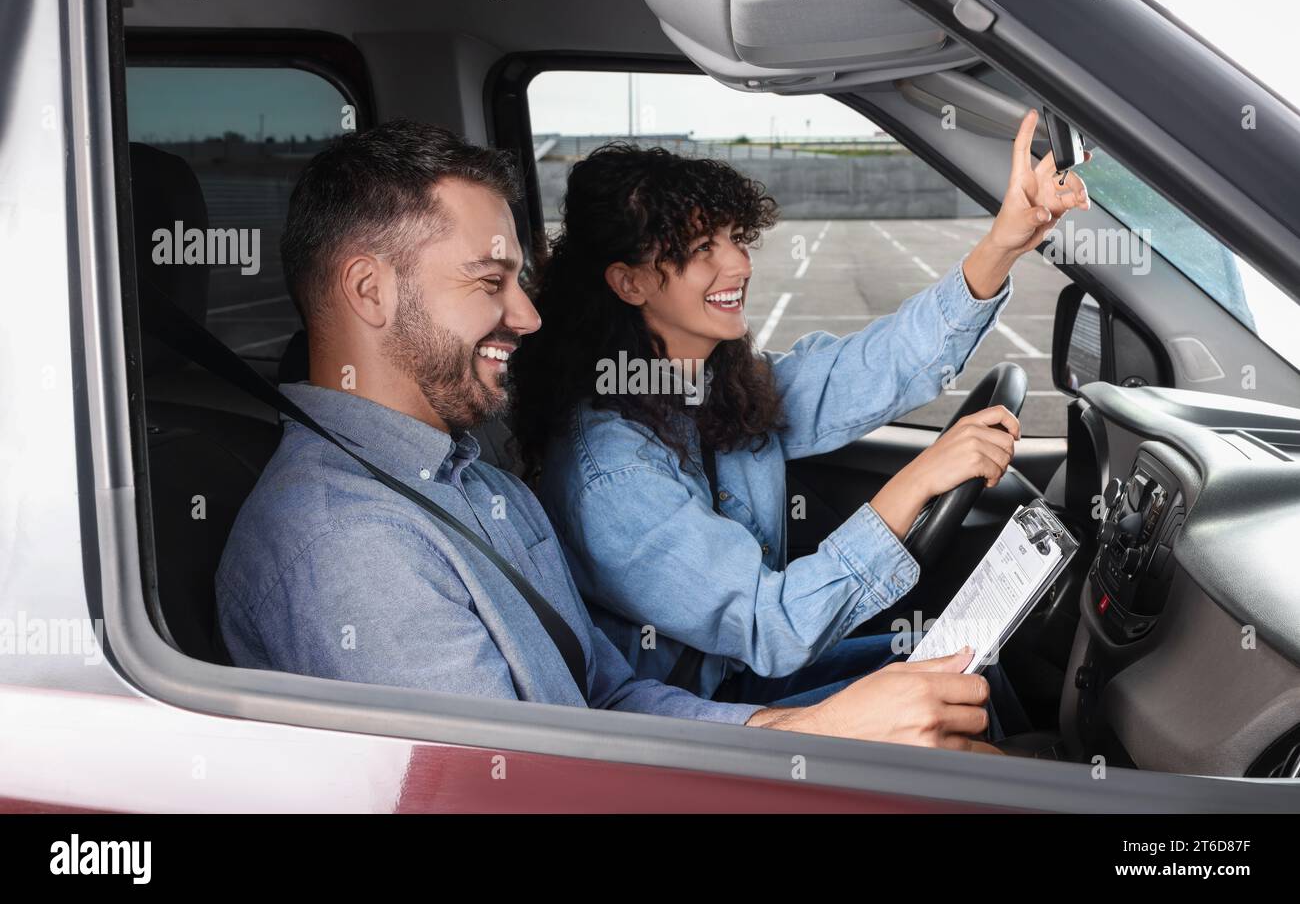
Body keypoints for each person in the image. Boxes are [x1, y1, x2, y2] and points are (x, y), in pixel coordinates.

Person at [215, 118, 1003, 752]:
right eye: (490, 283)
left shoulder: (472, 476)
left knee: (961, 699)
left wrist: (800, 729)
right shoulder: (349, 546)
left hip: (655, 747)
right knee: (958, 737)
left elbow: (605, 693)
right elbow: (517, 797)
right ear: (369, 290)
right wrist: (822, 733)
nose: (526, 314)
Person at [511, 110, 1087, 721]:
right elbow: (772, 623)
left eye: (735, 238)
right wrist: (919, 479)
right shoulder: (612, 473)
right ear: (630, 283)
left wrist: (1003, 243)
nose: (738, 266)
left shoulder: (719, 388)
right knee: (962, 697)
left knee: (971, 665)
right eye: (702, 249)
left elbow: (879, 365)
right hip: (698, 720)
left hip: (741, 679)